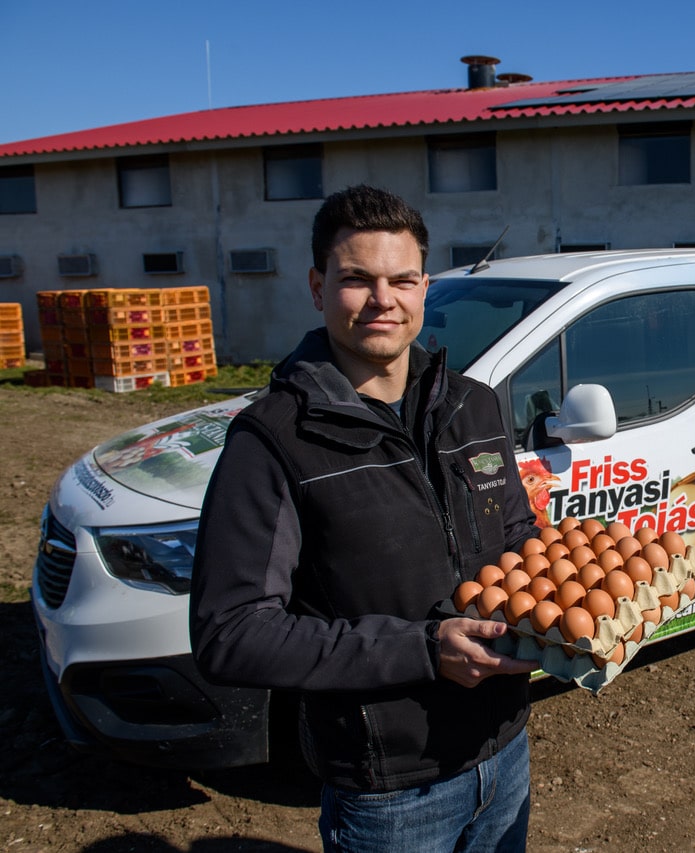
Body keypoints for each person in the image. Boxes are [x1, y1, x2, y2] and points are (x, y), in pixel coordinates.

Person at [189, 184, 541, 853]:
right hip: (392, 793)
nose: (384, 299)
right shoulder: (272, 441)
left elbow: (517, 536)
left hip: (505, 751)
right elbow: (230, 632)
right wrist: (424, 649)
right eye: (358, 279)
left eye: (402, 279)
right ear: (318, 286)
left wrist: (581, 601)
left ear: (424, 285)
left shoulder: (473, 405)